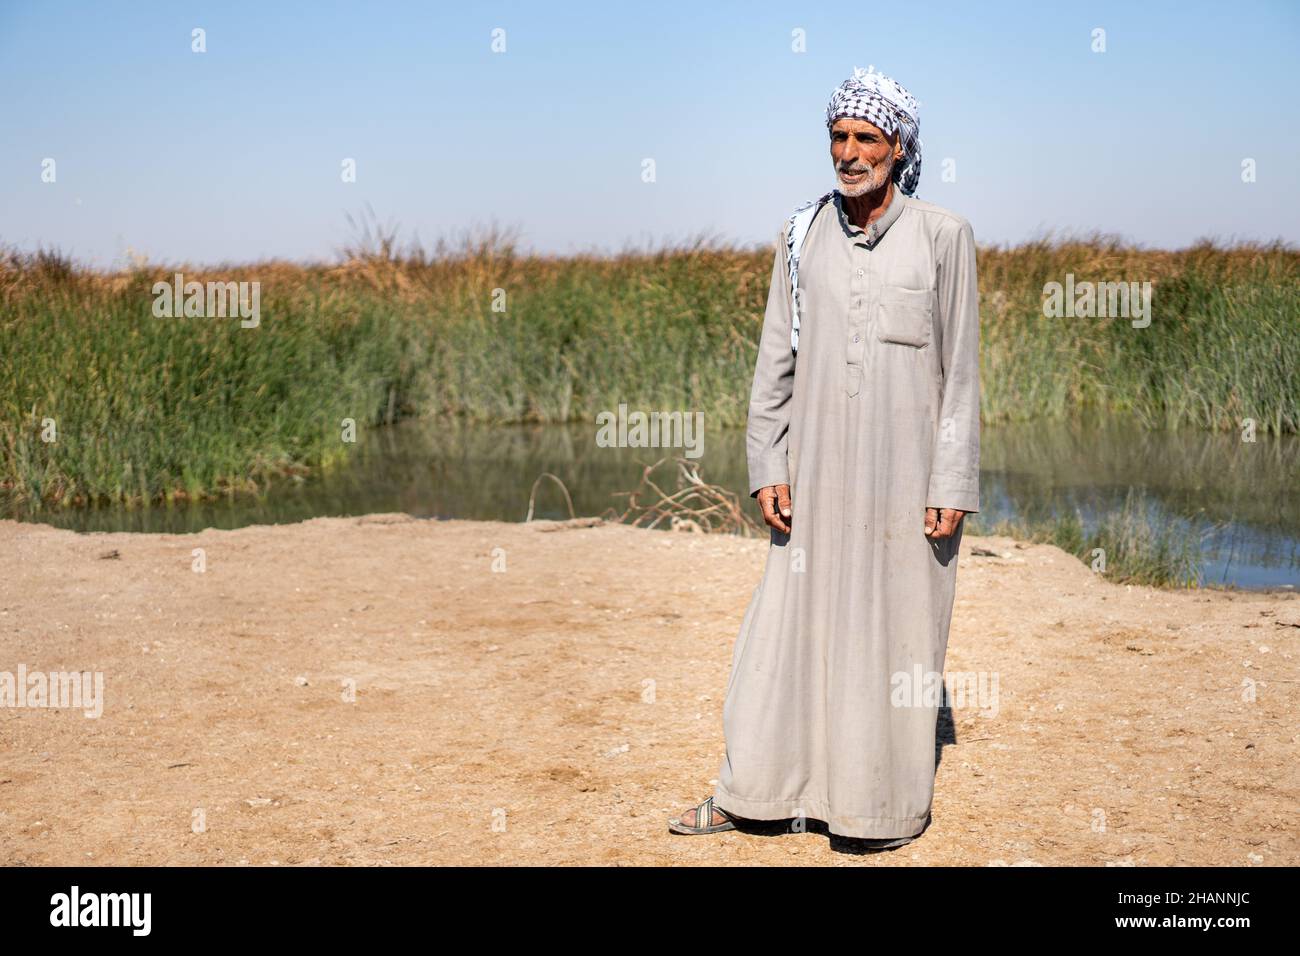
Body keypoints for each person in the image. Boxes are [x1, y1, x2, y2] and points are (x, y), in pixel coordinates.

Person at [668, 66, 981, 847]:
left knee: (896, 636)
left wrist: (952, 480)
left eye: (864, 137)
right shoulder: (800, 235)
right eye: (838, 137)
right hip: (813, 478)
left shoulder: (944, 236)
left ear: (897, 145)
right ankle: (754, 795)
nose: (847, 152)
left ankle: (877, 812)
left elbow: (962, 375)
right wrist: (766, 464)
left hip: (909, 483)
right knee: (784, 633)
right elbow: (775, 362)